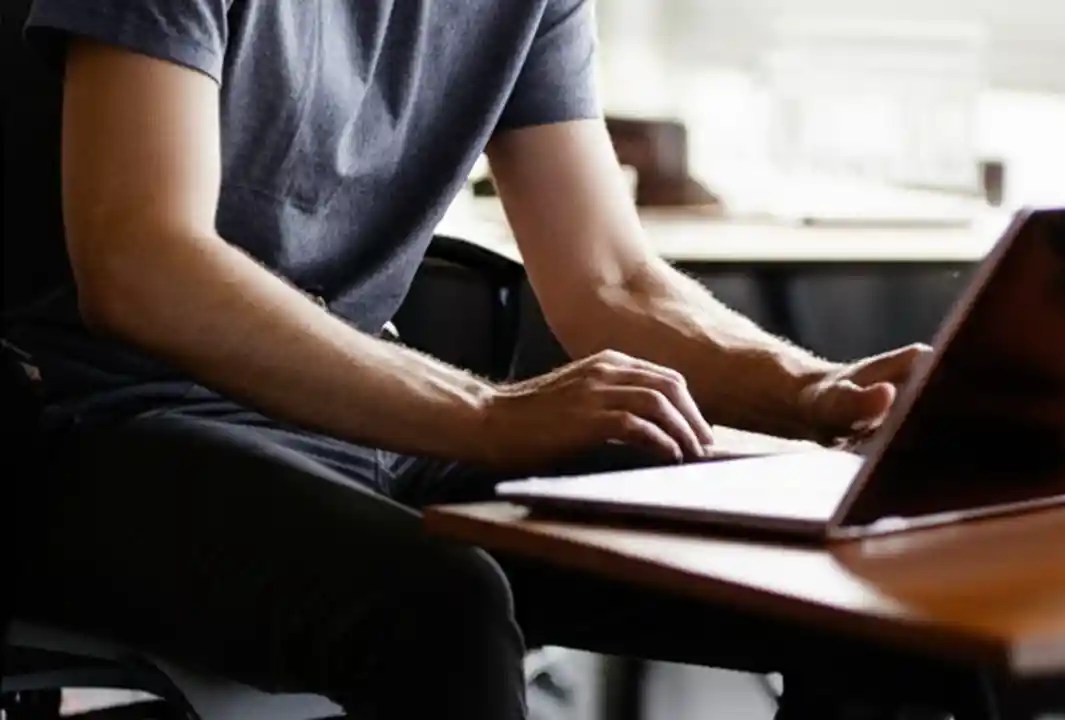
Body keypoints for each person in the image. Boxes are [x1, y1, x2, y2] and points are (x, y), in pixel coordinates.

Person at [3, 0, 929, 717]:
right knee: (439, 607)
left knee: (860, 557)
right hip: (96, 425)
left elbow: (609, 279)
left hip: (358, 421)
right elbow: (142, 265)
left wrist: (815, 391)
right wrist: (489, 415)